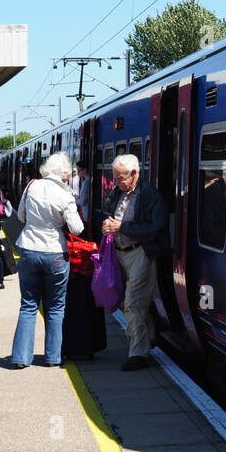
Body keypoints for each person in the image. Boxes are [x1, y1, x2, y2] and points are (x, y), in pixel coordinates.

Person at [10, 151, 83, 369]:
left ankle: (21, 358)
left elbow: (21, 217)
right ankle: (52, 358)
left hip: (29, 250)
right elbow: (77, 228)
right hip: (55, 253)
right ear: (64, 175)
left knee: (28, 305)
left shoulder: (31, 186)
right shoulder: (65, 194)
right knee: (55, 307)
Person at [100, 153, 168, 371]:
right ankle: (148, 335)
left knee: (133, 302)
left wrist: (121, 227)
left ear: (135, 173)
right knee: (121, 298)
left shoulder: (150, 196)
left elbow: (156, 228)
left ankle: (138, 353)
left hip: (140, 252)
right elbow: (111, 214)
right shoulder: (117, 192)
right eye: (115, 178)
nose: (117, 182)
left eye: (121, 178)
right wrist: (108, 224)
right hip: (117, 252)